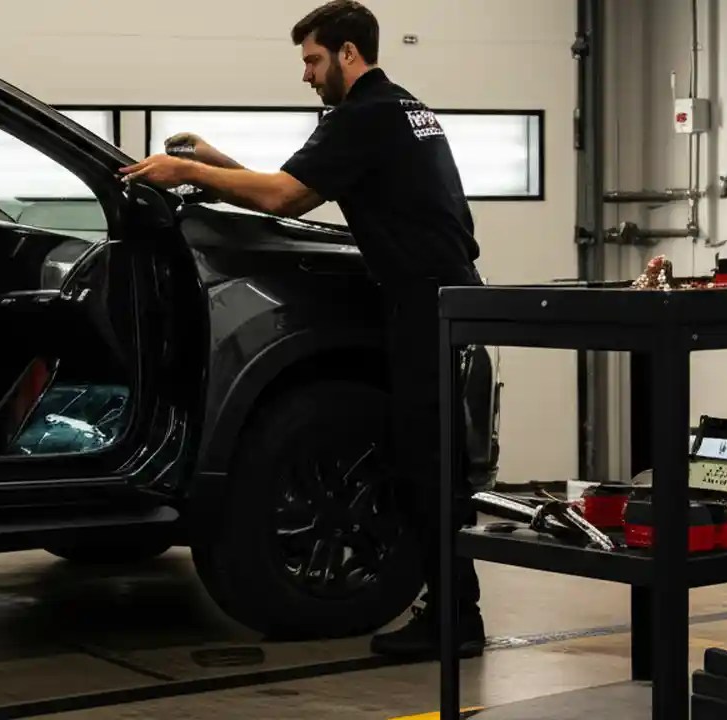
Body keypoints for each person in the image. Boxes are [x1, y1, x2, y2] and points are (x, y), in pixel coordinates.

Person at [119, 0, 485, 659]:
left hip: (421, 302)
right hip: (444, 296)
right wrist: (216, 157)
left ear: (349, 53)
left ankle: (456, 620)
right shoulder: (402, 108)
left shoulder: (362, 116)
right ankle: (454, 610)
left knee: (426, 464)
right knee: (428, 458)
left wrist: (188, 171)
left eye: (314, 60)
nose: (308, 75)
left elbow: (286, 199)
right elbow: (298, 185)